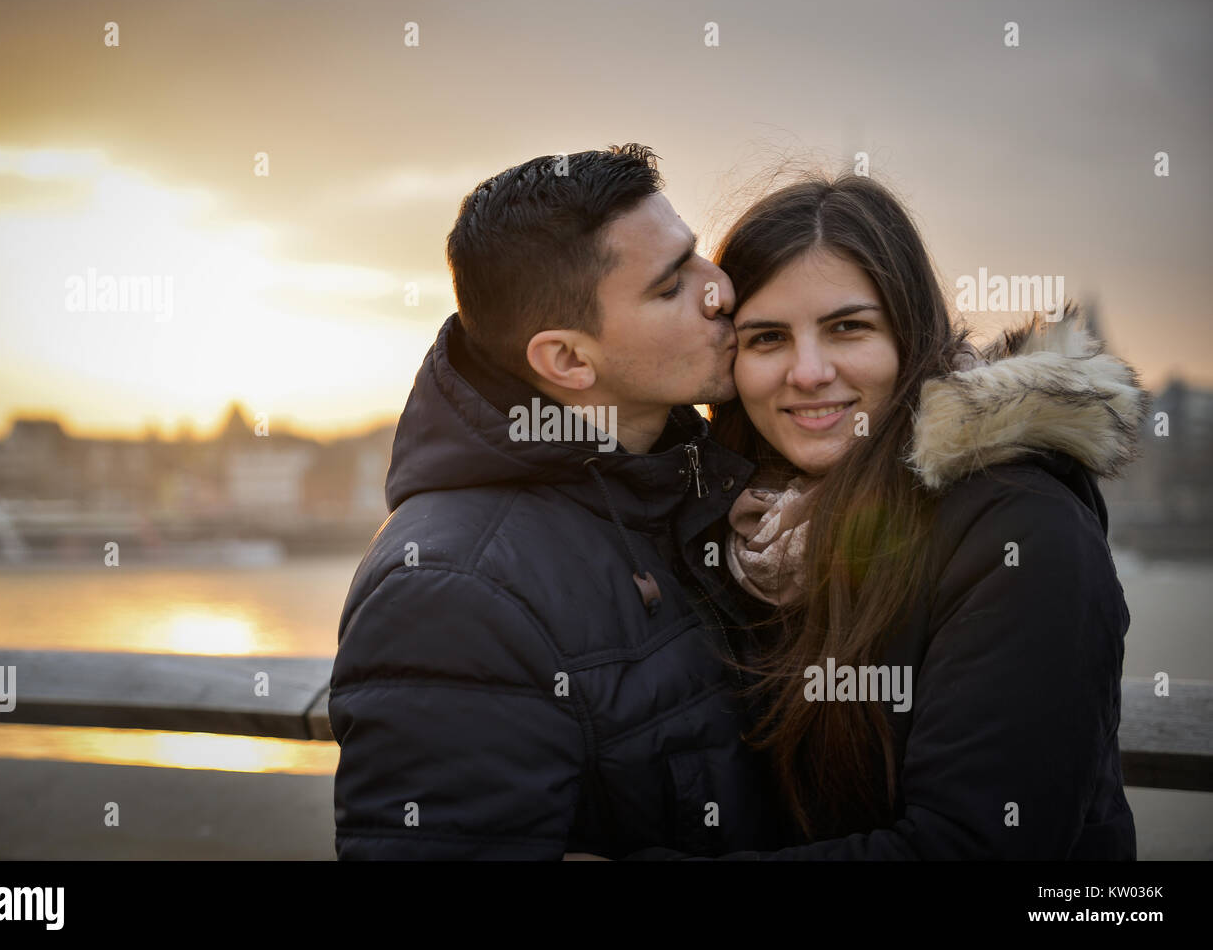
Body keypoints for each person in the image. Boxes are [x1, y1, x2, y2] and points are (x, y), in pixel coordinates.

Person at [629, 173, 1149, 859]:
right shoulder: (727, 532)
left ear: (911, 335)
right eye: (766, 338)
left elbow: (972, 847)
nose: (808, 372)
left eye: (848, 328)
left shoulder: (1023, 536)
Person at [329, 144, 787, 859]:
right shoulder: (452, 590)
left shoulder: (688, 485)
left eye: (694, 255)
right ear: (568, 360)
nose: (720, 289)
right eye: (671, 287)